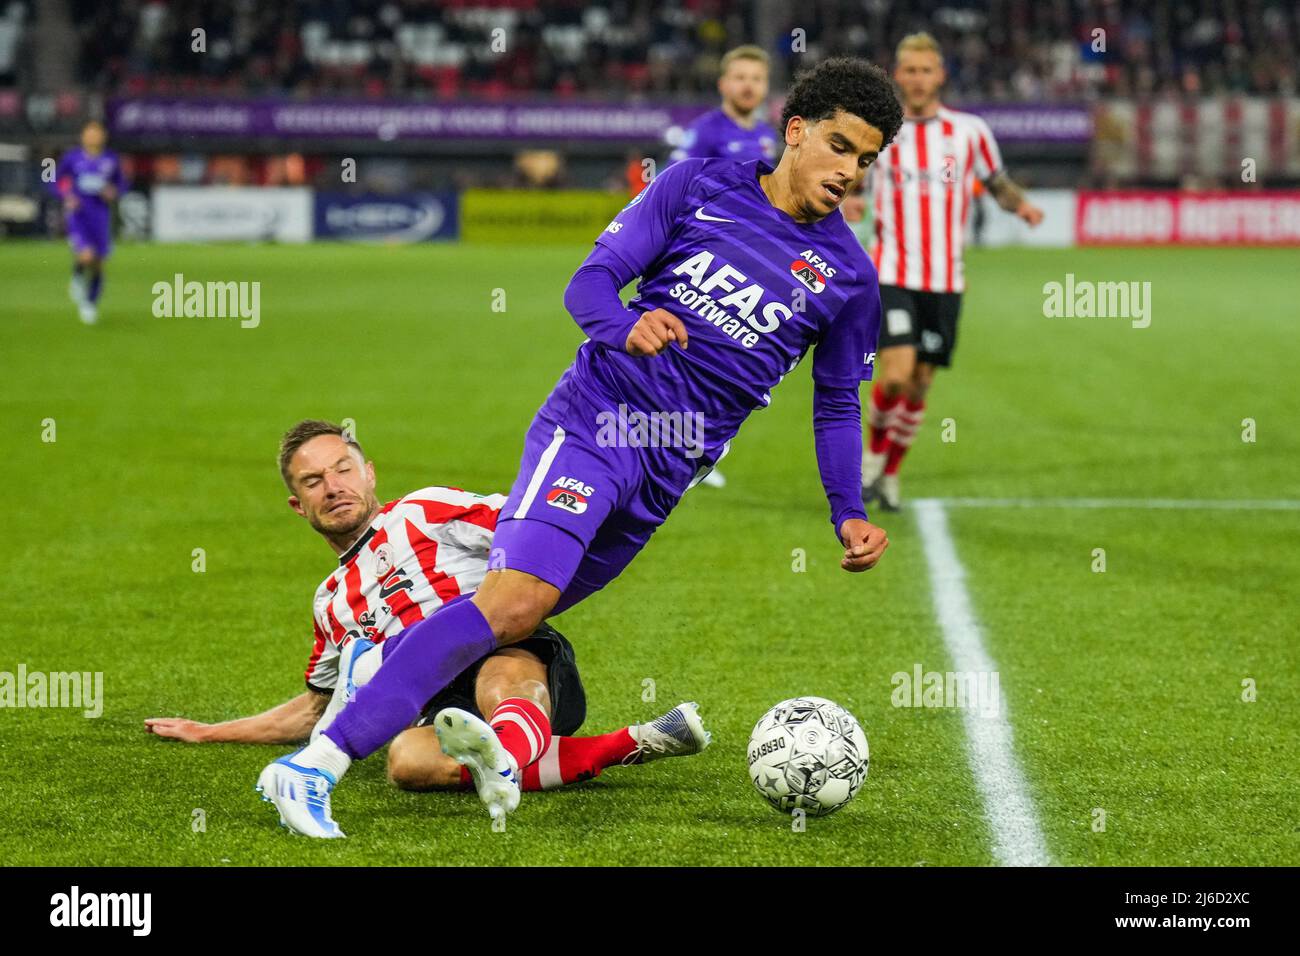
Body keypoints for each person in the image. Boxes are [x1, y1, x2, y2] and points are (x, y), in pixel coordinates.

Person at [262, 58, 901, 839]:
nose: (850, 170)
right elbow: (590, 282)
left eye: (866, 159)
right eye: (839, 145)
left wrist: (847, 511)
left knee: (513, 621)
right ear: (796, 131)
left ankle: (396, 682)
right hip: (596, 423)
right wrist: (623, 324)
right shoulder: (697, 186)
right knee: (515, 603)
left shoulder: (849, 278)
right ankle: (312, 767)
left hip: (664, 480)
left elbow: (835, 400)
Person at [146, 420, 709, 838]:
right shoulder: (330, 602)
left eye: (343, 468)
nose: (333, 486)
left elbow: (531, 527)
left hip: (501, 644)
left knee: (502, 671)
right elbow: (314, 709)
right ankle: (632, 742)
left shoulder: (423, 511)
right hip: (430, 705)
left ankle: (533, 750)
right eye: (313, 481)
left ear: (369, 473)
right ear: (299, 506)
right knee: (407, 762)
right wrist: (211, 731)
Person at [858, 33, 1044, 510]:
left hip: (946, 280)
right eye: (910, 71)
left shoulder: (969, 131)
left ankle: (891, 474)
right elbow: (852, 177)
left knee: (920, 383)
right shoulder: (877, 131)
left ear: (940, 76)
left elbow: (995, 181)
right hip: (892, 271)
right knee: (895, 375)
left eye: (927, 70)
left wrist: (1020, 206)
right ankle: (871, 460)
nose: (918, 79)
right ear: (897, 76)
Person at [666, 43, 781, 489]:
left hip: (746, 261)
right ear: (723, 84)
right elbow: (670, 190)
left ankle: (694, 446)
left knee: (723, 357)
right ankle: (679, 448)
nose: (748, 85)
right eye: (740, 77)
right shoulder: (704, 132)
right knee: (683, 354)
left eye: (756, 78)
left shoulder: (767, 135)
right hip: (700, 258)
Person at [54, 120, 127, 325]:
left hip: (101, 216)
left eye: (97, 133)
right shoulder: (72, 158)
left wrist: (114, 191)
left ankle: (90, 303)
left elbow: (121, 183)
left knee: (98, 265)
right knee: (86, 255)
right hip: (78, 214)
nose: (94, 137)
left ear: (103, 136)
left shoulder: (111, 159)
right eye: (90, 133)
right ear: (83, 136)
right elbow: (53, 178)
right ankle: (77, 278)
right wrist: (66, 194)